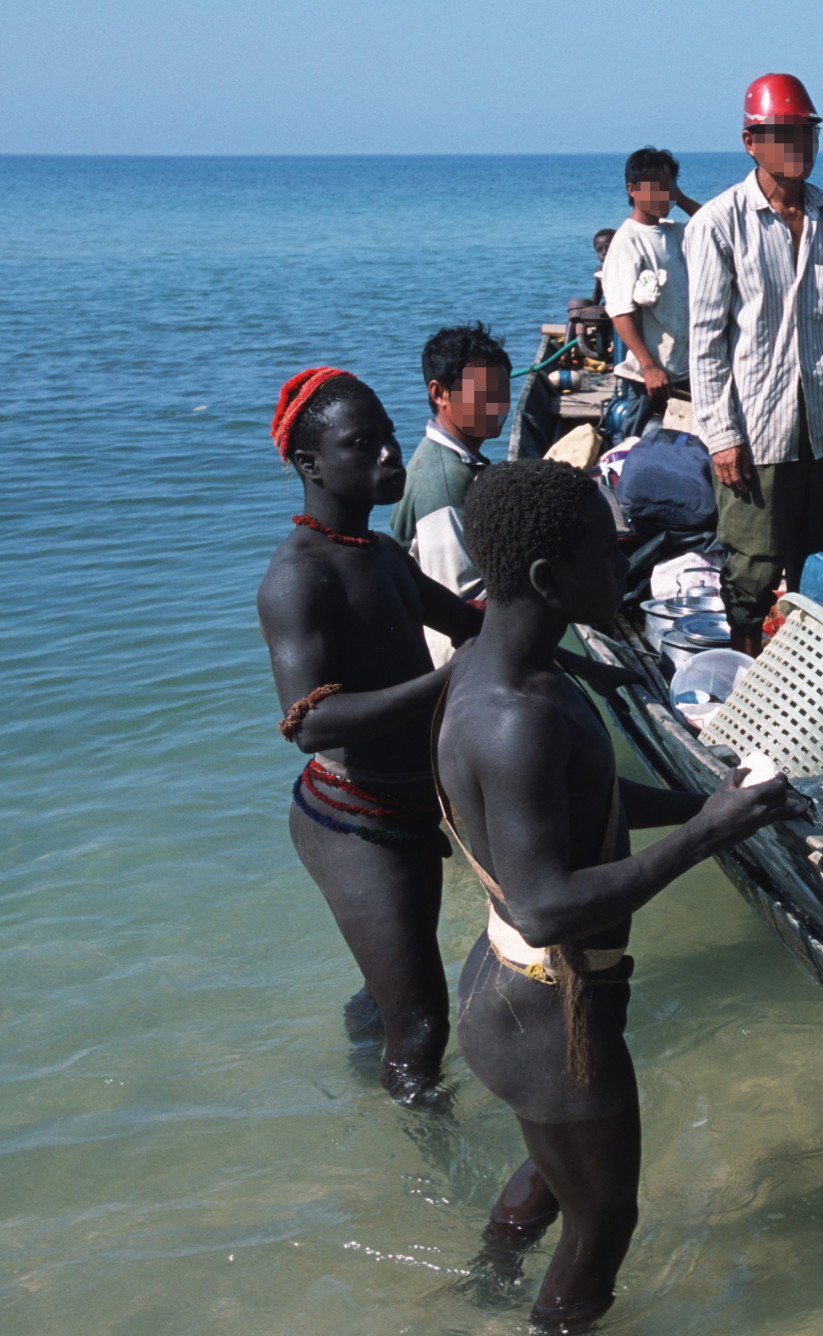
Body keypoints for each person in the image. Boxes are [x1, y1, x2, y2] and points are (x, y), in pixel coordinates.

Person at [434, 460, 799, 1327]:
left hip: (504, 989)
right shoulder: (518, 717)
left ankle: (485, 1282)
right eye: (605, 557)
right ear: (547, 579)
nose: (623, 569)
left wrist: (714, 805)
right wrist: (708, 833)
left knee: (557, 1174)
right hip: (548, 1012)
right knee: (606, 1221)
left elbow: (580, 804)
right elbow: (548, 904)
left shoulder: (492, 667)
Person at [256, 367, 486, 1102]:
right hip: (352, 817)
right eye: (365, 443)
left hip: (409, 809)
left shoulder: (379, 553)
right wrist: (443, 683)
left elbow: (471, 627)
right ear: (310, 464)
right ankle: (437, 1189)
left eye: (388, 436)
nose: (390, 454)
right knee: (421, 1031)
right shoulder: (300, 578)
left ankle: (357, 1067)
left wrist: (562, 640)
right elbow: (310, 720)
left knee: (394, 986)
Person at [686, 73, 823, 657]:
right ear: (752, 141)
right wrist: (720, 436)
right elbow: (706, 340)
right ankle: (745, 672)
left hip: (822, 423)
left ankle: (805, 672)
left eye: (806, 133)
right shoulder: (720, 222)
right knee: (750, 566)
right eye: (784, 134)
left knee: (820, 561)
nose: (799, 146)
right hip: (754, 429)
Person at [388, 323, 512, 664]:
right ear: (439, 393)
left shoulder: (457, 463)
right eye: (483, 393)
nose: (498, 404)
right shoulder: (444, 484)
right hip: (457, 671)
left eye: (502, 390)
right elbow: (460, 607)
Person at [602, 148, 701, 443]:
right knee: (640, 446)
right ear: (632, 190)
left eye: (667, 187)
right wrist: (649, 367)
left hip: (684, 370)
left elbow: (714, 224)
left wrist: (680, 196)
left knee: (684, 449)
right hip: (649, 378)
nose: (664, 195)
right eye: (655, 187)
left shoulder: (674, 233)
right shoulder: (628, 241)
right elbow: (620, 312)